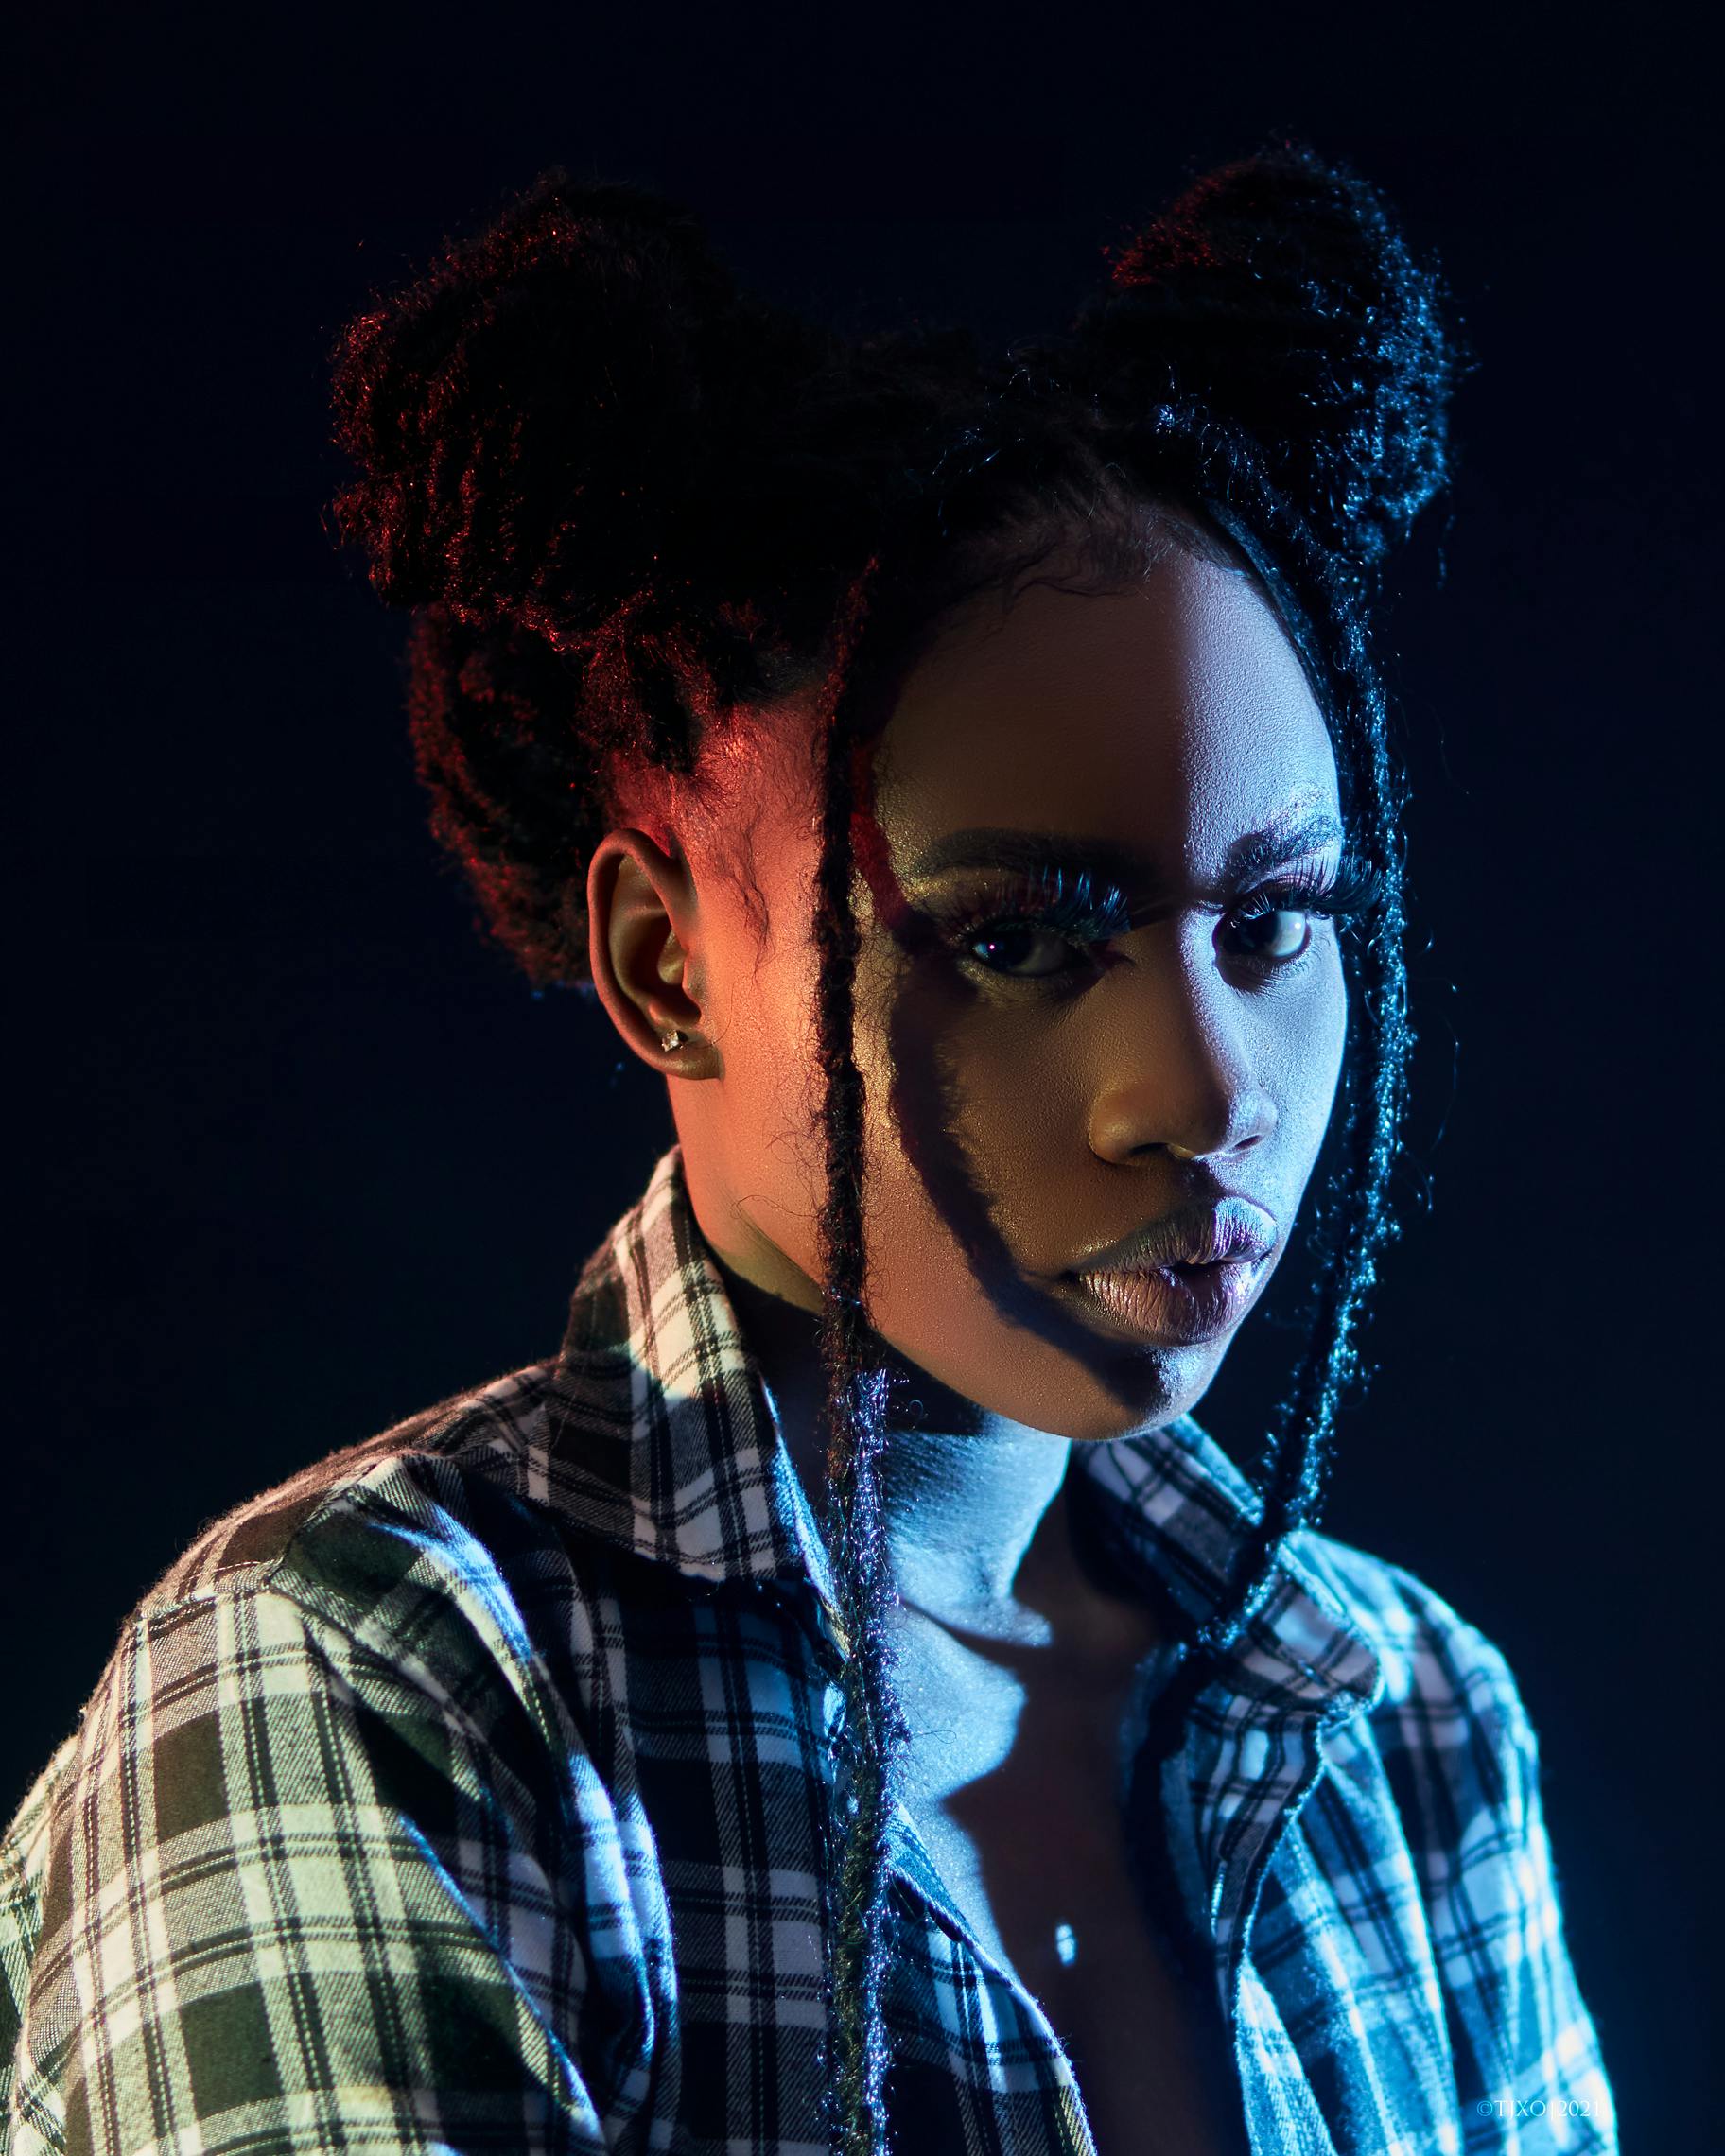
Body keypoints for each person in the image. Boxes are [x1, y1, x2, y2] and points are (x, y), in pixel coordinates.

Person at [0, 148, 1617, 2156]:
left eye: (1275, 925)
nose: (1203, 1093)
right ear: (666, 964)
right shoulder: (367, 1690)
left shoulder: (1406, 1718)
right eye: (1017, 940)